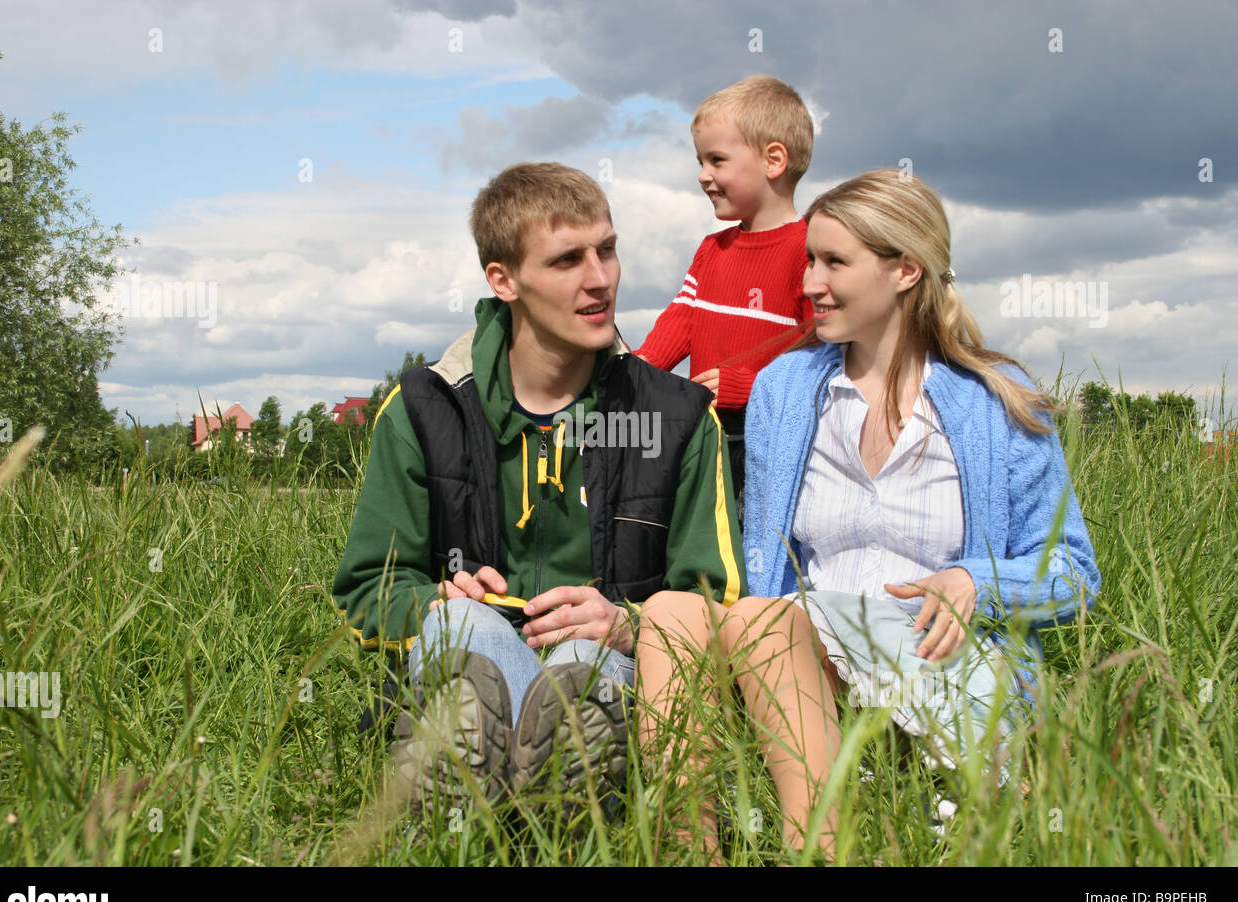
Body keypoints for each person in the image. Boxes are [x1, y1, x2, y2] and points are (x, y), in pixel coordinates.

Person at [636, 168, 1101, 858]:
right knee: (671, 610)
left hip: (939, 659)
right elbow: (768, 558)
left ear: (905, 269)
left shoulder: (994, 400)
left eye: (833, 263)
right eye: (809, 261)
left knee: (762, 622)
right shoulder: (785, 389)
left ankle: (821, 848)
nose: (809, 283)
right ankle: (685, 851)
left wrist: (975, 581)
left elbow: (1074, 572)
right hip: (801, 664)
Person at [331, 162, 746, 822]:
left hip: (614, 671)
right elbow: (366, 591)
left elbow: (714, 598)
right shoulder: (421, 410)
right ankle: (537, 791)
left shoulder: (680, 417)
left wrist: (627, 624)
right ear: (504, 279)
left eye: (607, 250)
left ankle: (504, 800)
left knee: (583, 662)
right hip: (473, 654)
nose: (599, 278)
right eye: (566, 260)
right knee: (461, 625)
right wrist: (434, 599)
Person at [633, 75, 817, 512]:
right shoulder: (712, 249)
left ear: (773, 160)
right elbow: (683, 317)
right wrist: (639, 371)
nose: (702, 175)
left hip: (767, 442)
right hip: (707, 434)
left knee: (753, 545)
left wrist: (751, 386)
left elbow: (822, 356)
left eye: (717, 160)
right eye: (700, 161)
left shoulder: (810, 250)